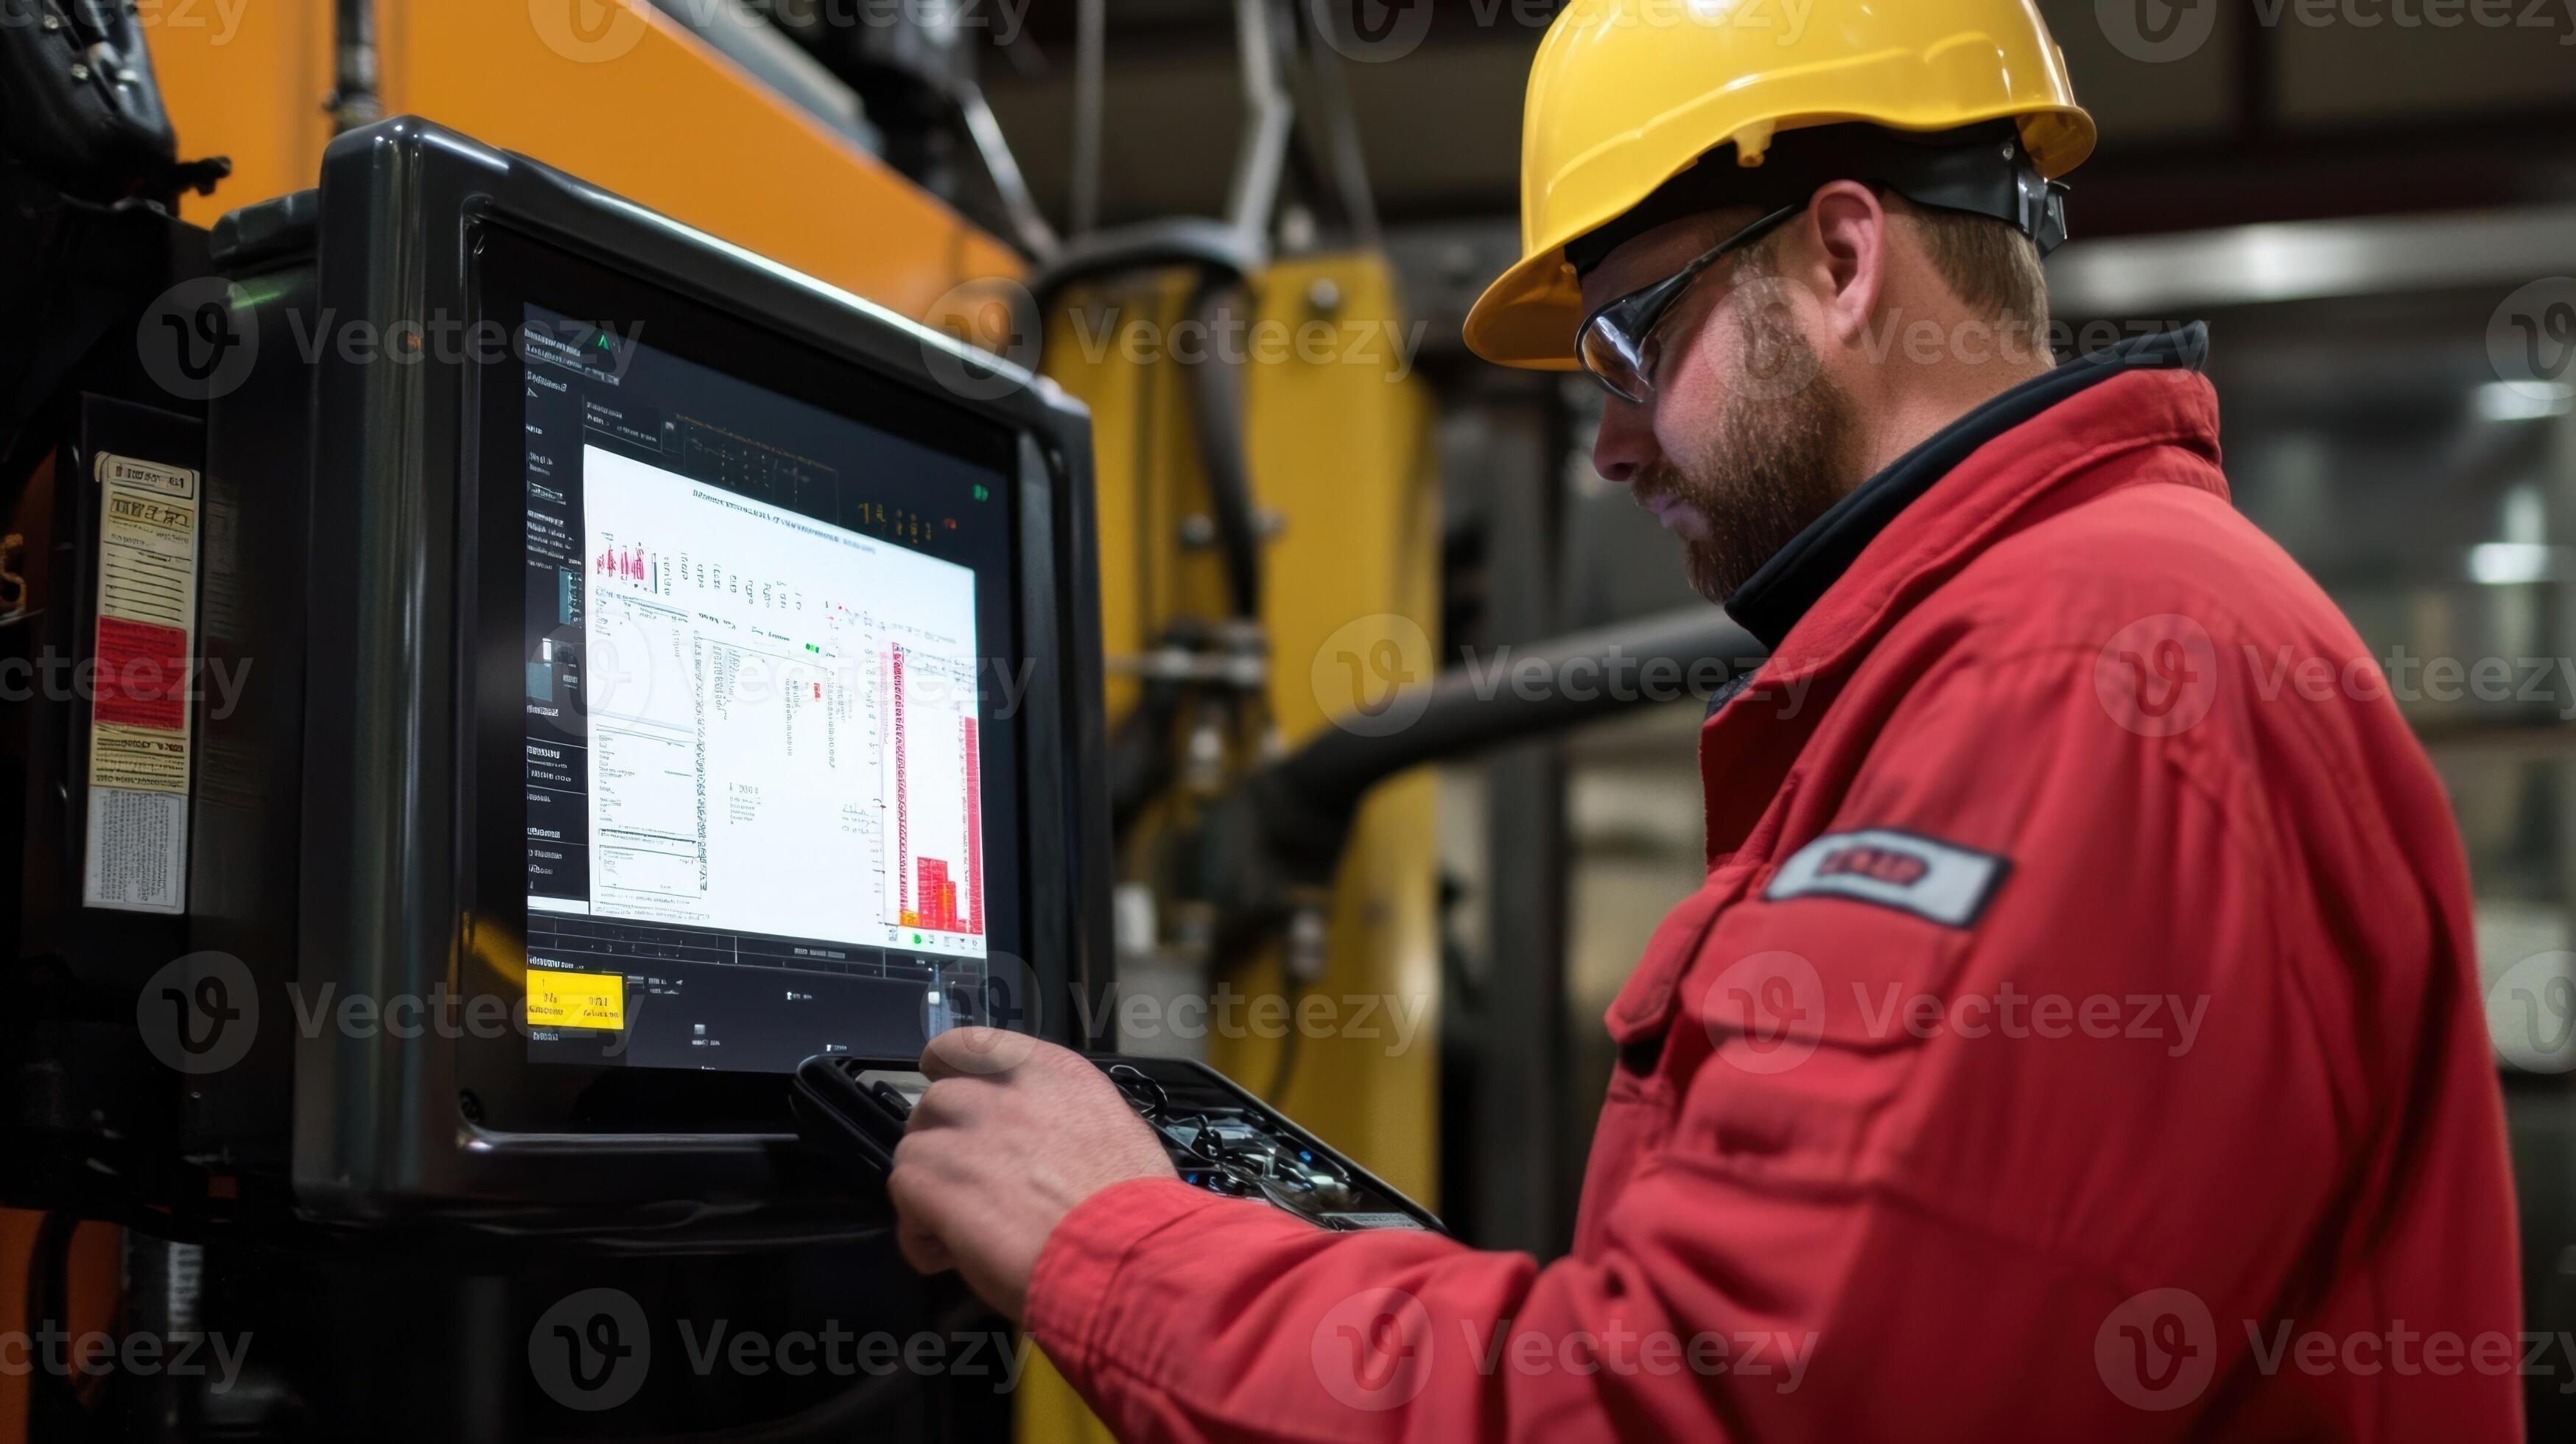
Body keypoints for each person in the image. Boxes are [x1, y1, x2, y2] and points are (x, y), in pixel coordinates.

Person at [885, 2, 2524, 1436]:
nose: (1612, 444)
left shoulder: (2069, 677)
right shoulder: (2035, 642)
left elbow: (1711, 1407)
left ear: (1839, 256)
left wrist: (1113, 1239)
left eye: (1629, 344)